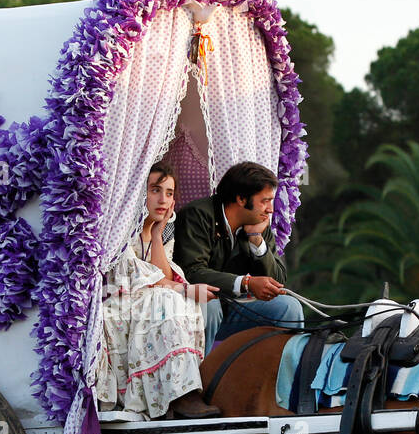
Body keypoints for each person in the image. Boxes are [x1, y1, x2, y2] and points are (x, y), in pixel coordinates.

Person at [95, 162, 221, 420]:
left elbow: (160, 274)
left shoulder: (160, 228)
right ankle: (177, 395)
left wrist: (157, 233)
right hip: (117, 297)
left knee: (174, 299)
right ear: (141, 192)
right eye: (155, 190)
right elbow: (135, 279)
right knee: (167, 299)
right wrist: (186, 289)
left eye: (170, 193)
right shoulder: (121, 227)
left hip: (144, 296)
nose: (163, 199)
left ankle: (185, 390)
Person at [174, 161, 304, 350]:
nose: (271, 209)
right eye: (264, 201)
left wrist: (256, 240)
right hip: (195, 307)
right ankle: (198, 376)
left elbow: (277, 280)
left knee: (288, 308)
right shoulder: (198, 215)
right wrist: (246, 283)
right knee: (209, 304)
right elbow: (192, 272)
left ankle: (281, 377)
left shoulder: (258, 223)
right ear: (242, 199)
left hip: (235, 308)